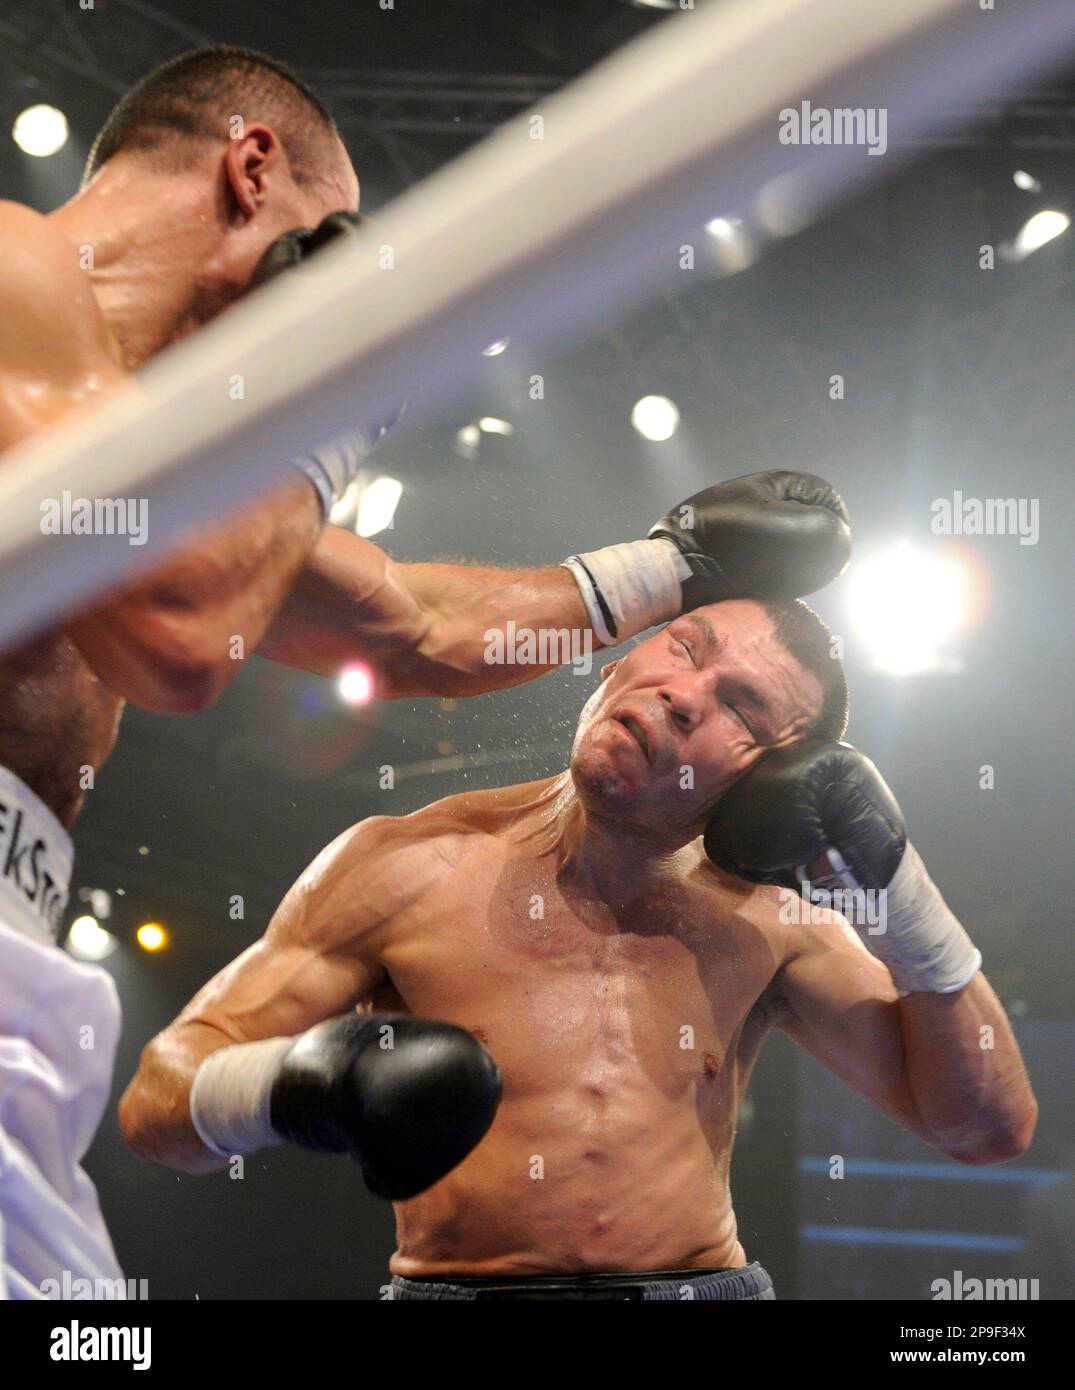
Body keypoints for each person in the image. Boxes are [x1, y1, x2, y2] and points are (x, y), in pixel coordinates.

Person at [0, 43, 851, 1298]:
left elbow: (412, 630)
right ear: (253, 173)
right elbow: (181, 643)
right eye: (324, 242)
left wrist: (673, 563)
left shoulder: (150, 473)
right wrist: (324, 402)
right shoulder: (17, 273)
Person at [120, 595, 1038, 1300]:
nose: (681, 694)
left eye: (740, 707)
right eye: (683, 646)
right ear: (621, 656)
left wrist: (905, 910)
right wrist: (286, 1088)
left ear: (775, 776)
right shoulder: (404, 864)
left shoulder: (772, 919)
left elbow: (987, 1128)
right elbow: (156, 1107)